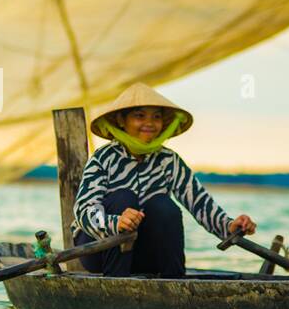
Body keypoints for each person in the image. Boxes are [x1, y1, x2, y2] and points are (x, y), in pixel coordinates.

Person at [72, 82, 255, 277]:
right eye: (139, 116)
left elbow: (199, 202)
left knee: (162, 205)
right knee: (123, 197)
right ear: (121, 120)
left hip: (142, 252)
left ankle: (174, 283)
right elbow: (84, 209)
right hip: (98, 250)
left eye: (156, 117)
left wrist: (229, 225)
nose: (149, 123)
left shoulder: (169, 160)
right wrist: (115, 222)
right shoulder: (104, 157)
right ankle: (115, 284)